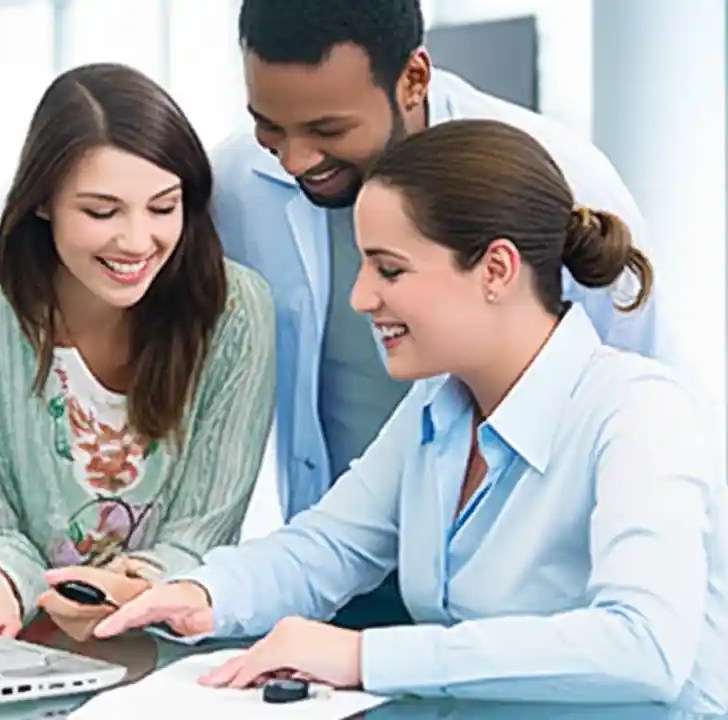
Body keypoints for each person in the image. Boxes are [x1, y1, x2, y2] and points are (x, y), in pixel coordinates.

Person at [93, 119, 728, 713]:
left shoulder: (639, 412)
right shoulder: (439, 406)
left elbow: (644, 645)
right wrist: (198, 596)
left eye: (389, 269)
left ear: (496, 270)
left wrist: (362, 655)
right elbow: (327, 546)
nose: (361, 297)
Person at [215, 0, 663, 628]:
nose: (293, 160)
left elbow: (617, 383)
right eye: (270, 127)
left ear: (414, 79)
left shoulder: (561, 183)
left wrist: (369, 659)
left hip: (546, 603)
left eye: (328, 130)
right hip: (352, 564)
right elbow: (324, 547)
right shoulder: (235, 182)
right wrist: (188, 588)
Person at [0, 63, 276, 642]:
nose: (137, 241)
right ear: (42, 202)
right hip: (14, 650)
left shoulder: (235, 312)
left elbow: (202, 536)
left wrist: (141, 587)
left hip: (169, 660)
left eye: (163, 208)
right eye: (101, 212)